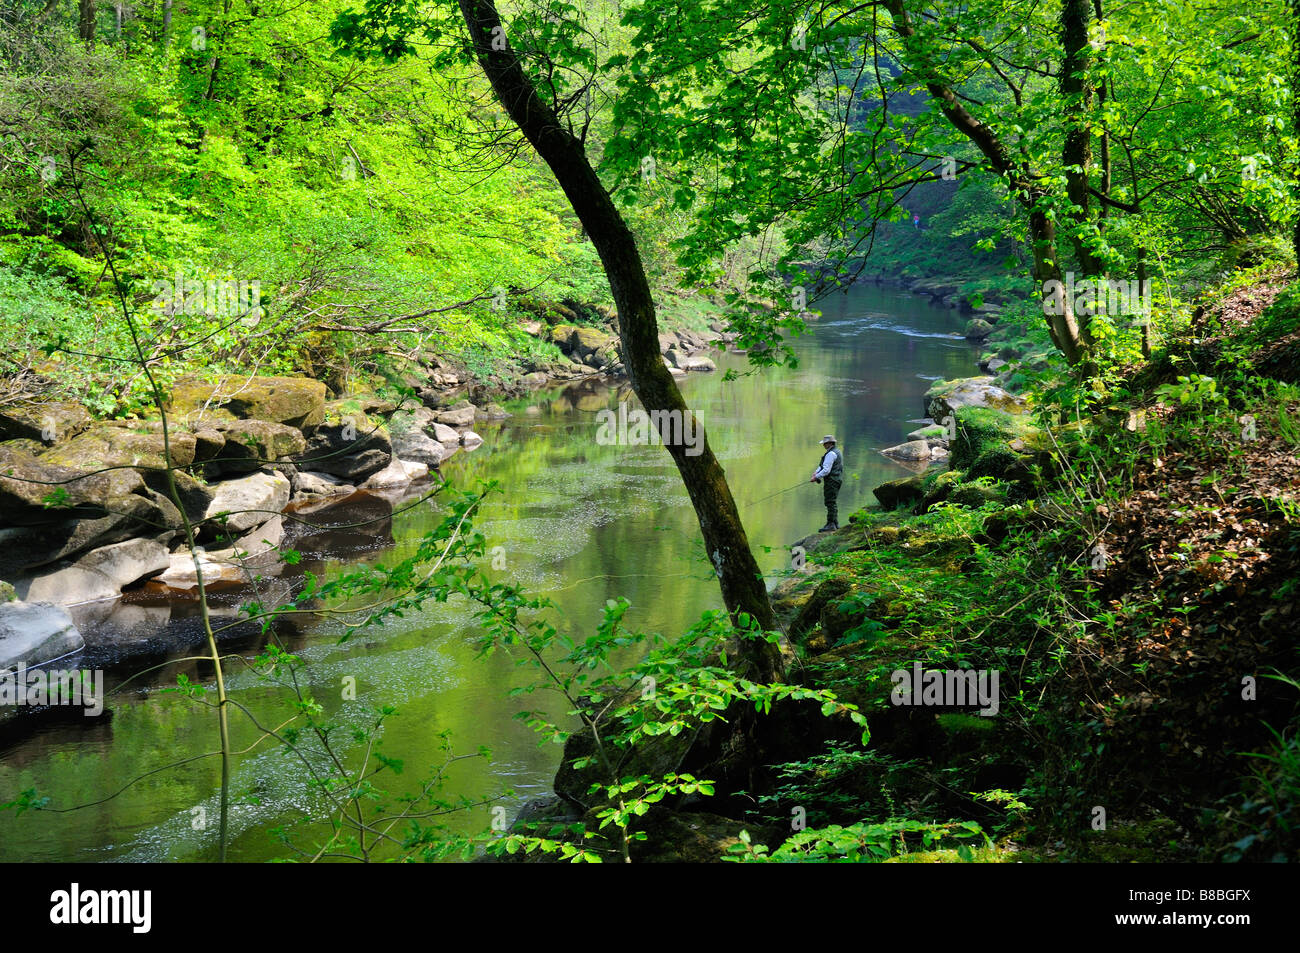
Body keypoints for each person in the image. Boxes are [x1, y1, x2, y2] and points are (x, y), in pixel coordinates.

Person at [810, 435, 843, 532]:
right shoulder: (836, 451)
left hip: (832, 481)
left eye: (825, 443)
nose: (823, 445)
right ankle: (835, 523)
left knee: (830, 502)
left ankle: (830, 524)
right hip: (836, 479)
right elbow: (823, 466)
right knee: (832, 501)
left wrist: (816, 477)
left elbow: (826, 470)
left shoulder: (831, 454)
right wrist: (816, 472)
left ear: (829, 443)